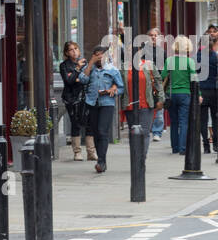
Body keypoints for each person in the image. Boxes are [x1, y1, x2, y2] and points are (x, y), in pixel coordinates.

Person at [83, 43, 124, 174]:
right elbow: (82, 80)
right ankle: (102, 161)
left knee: (102, 131)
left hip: (107, 103)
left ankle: (101, 161)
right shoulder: (90, 69)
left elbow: (121, 87)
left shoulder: (112, 70)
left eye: (102, 56)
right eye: (97, 56)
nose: (100, 59)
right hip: (92, 102)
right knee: (95, 132)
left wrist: (114, 89)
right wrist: (90, 63)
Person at [126, 44, 165, 162]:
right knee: (133, 133)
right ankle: (135, 157)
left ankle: (141, 158)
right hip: (130, 105)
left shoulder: (148, 65)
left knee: (145, 132)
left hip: (146, 104)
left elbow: (158, 81)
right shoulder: (124, 66)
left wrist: (161, 98)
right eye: (129, 49)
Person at [162, 36, 196, 155]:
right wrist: (199, 94)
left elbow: (163, 75)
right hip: (185, 94)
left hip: (171, 95)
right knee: (184, 122)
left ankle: (175, 147)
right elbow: (194, 80)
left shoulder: (169, 61)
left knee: (174, 122)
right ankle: (183, 148)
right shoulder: (189, 61)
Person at [60, 42, 92, 160]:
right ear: (67, 53)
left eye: (76, 49)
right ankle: (77, 152)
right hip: (71, 98)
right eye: (71, 50)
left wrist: (77, 78)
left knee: (89, 123)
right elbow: (68, 81)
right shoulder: (64, 65)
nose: (74, 51)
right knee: (75, 123)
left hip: (85, 96)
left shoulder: (85, 63)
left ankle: (91, 152)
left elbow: (87, 79)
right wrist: (77, 69)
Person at [196, 24, 218, 154]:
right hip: (214, 91)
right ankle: (215, 143)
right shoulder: (214, 56)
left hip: (201, 91)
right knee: (215, 118)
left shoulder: (196, 57)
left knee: (203, 120)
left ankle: (206, 145)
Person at [146, 28, 167, 141]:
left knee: (159, 107)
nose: (153, 37)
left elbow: (165, 69)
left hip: (158, 82)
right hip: (146, 82)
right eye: (151, 35)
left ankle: (157, 132)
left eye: (155, 35)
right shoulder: (143, 51)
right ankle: (147, 128)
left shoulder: (162, 52)